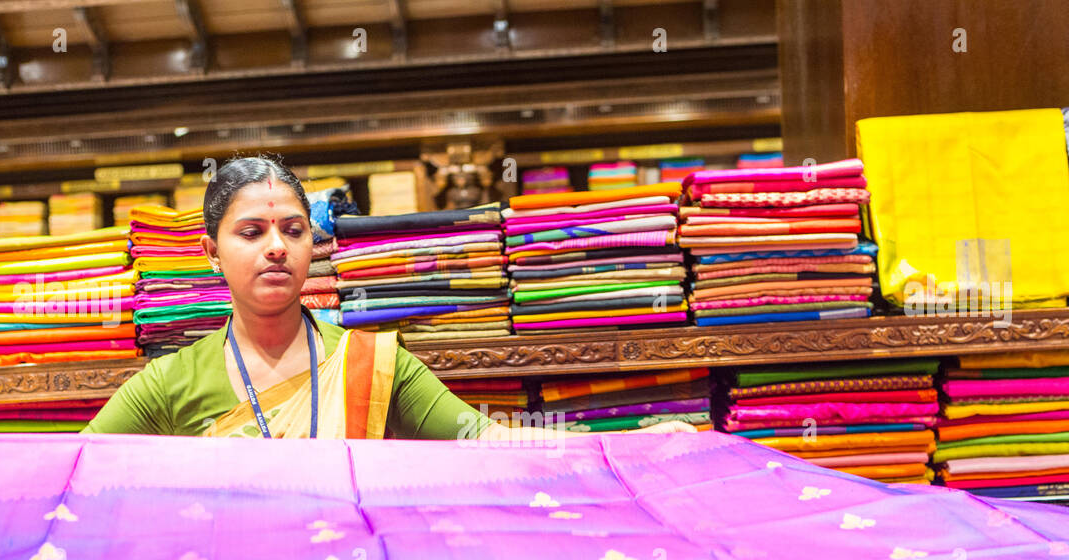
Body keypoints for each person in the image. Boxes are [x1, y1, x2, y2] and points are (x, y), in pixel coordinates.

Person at [72, 155, 696, 441]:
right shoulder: (170, 382)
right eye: (251, 232)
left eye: (293, 230)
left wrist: (631, 442)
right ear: (211, 253)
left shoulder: (373, 361)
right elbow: (82, 471)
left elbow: (485, 439)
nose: (275, 248)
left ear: (314, 247)